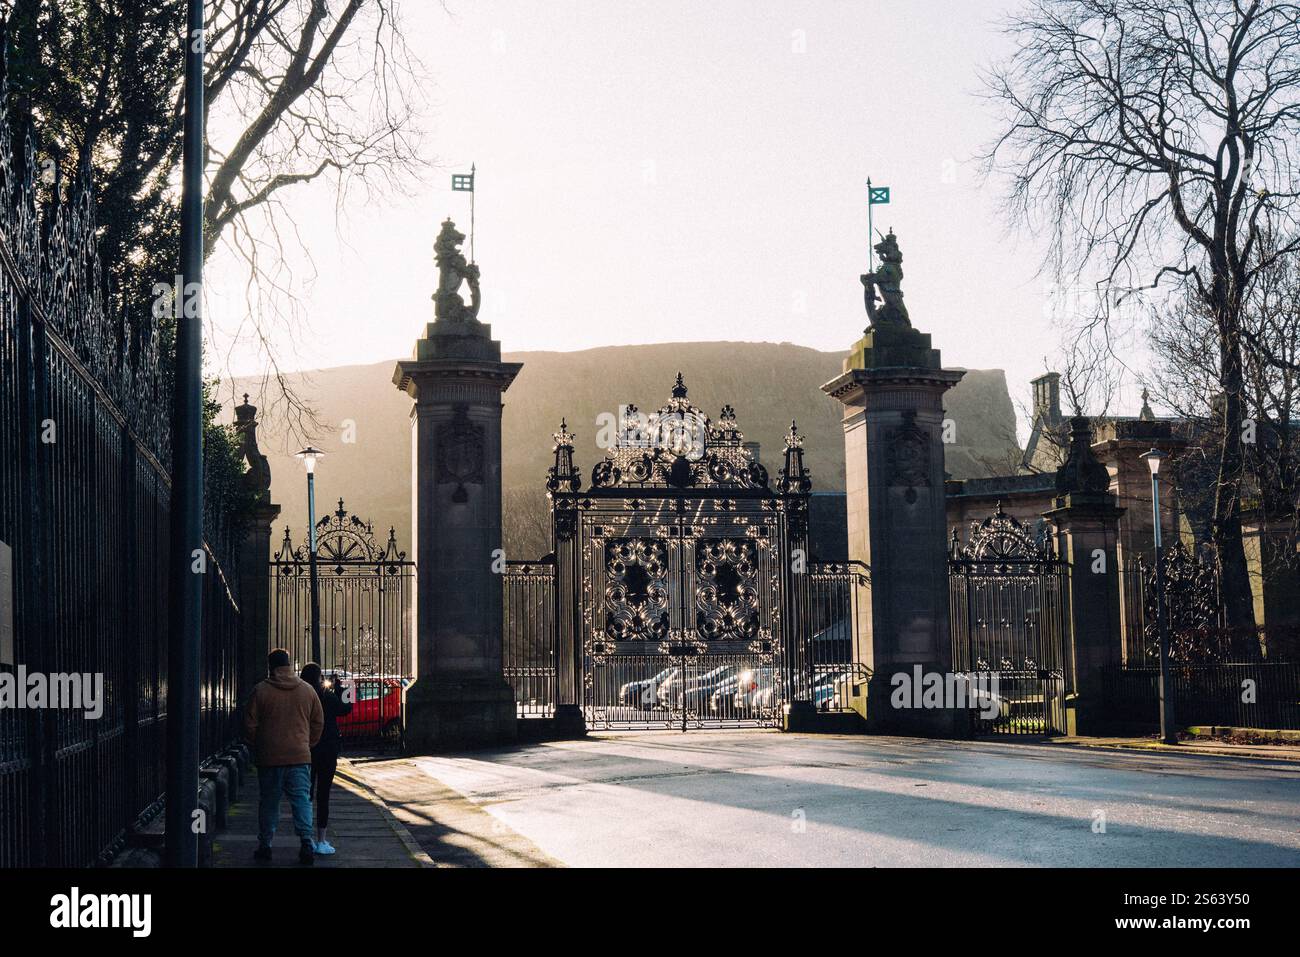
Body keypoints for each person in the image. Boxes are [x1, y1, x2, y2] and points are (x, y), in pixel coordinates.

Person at [243, 648, 323, 865]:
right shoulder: (307, 691)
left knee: (269, 802)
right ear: (289, 665)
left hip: (269, 758)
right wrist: (307, 743)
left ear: (270, 666)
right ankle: (306, 842)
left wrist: (259, 744)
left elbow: (250, 725)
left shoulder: (260, 691)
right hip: (299, 755)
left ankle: (266, 845)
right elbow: (318, 722)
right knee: (302, 801)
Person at [300, 663, 353, 855]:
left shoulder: (302, 696)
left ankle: (305, 839)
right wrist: (345, 688)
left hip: (306, 749)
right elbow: (346, 710)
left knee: (305, 795)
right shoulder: (327, 697)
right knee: (324, 794)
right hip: (328, 749)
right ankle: (321, 839)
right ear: (319, 677)